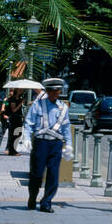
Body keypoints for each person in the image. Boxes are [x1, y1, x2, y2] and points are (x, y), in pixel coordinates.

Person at [25, 78, 72, 212]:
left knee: (53, 174)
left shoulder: (63, 108)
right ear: (48, 91)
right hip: (41, 142)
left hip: (56, 143)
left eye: (57, 91)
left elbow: (66, 127)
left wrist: (69, 145)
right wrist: (26, 138)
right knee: (36, 173)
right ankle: (32, 198)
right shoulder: (38, 105)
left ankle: (46, 202)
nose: (55, 93)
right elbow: (29, 122)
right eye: (52, 91)